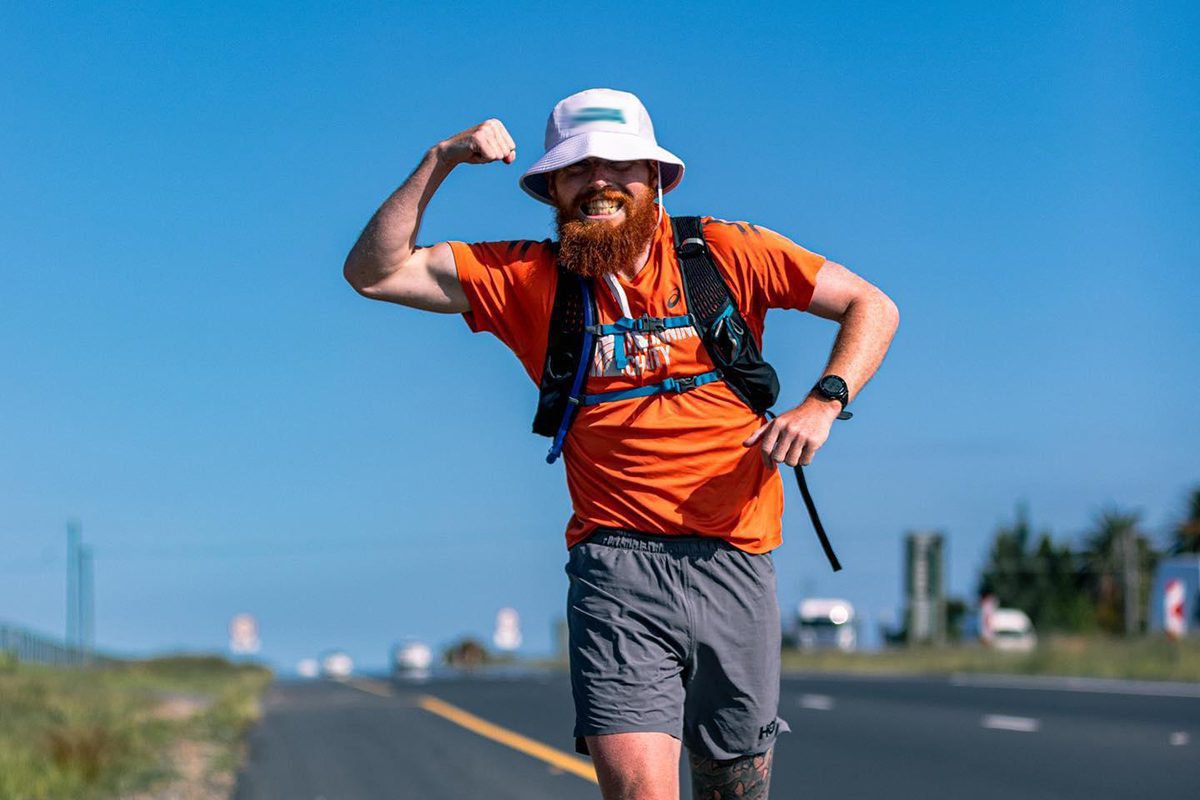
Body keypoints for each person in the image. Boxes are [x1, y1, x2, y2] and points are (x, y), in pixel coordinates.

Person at [344, 88, 899, 800]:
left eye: (619, 166)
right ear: (552, 189)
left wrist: (824, 402)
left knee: (734, 787)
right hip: (616, 564)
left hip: (738, 552)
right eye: (575, 170)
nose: (597, 182)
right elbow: (374, 272)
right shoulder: (528, 278)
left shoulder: (727, 253)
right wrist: (441, 159)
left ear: (657, 180)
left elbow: (871, 305)